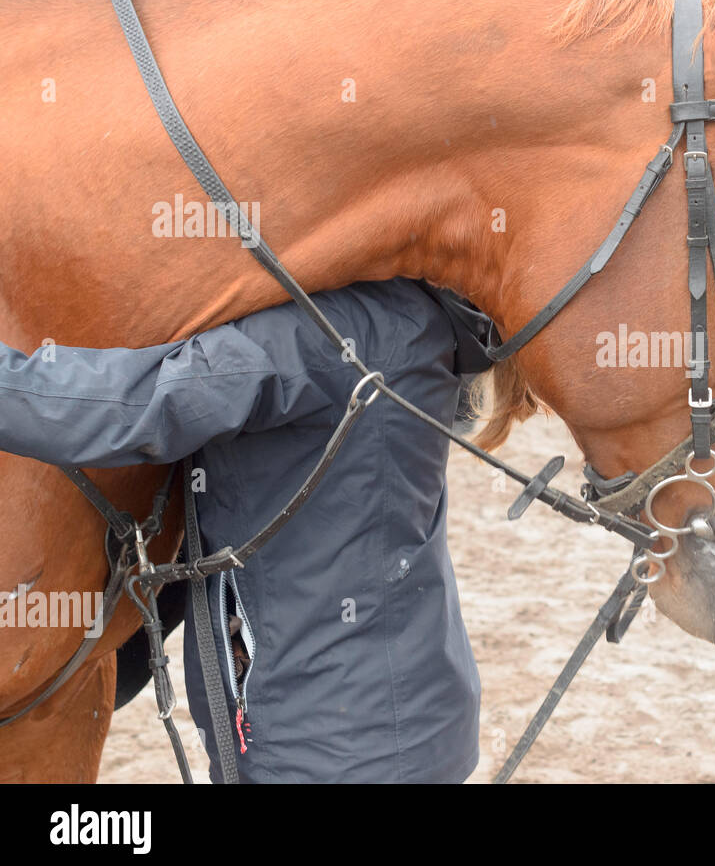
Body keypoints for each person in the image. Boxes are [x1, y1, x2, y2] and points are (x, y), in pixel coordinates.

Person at [0, 279, 494, 783]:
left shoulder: (313, 334)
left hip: (318, 750)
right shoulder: (423, 319)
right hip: (422, 724)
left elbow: (137, 407)